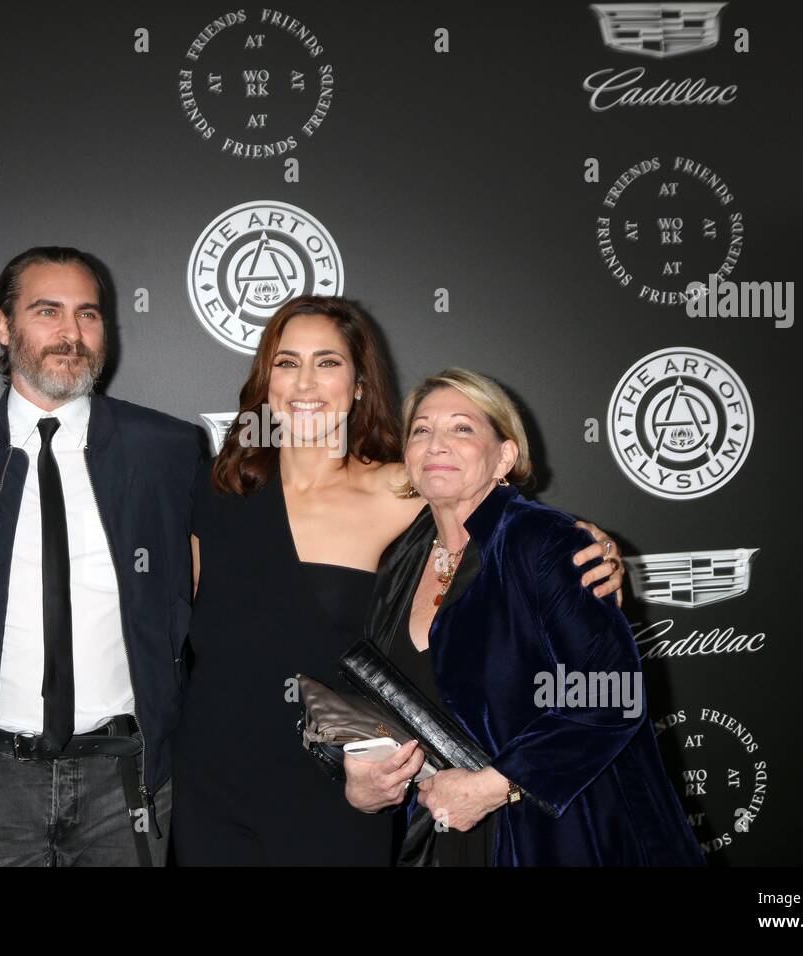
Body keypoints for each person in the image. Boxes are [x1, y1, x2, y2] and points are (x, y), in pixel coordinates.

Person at [173, 297, 625, 865]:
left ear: (360, 384)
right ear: (266, 381)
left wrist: (595, 546)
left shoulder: (401, 488)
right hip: (212, 791)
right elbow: (170, 620)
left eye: (328, 363)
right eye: (287, 363)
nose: (306, 382)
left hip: (346, 790)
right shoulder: (217, 494)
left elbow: (503, 518)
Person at [0, 246, 202, 866]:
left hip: (128, 783)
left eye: (89, 315)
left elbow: (223, 592)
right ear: (4, 326)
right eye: (48, 311)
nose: (71, 333)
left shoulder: (167, 450)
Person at [343, 368, 704, 866]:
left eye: (462, 428)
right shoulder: (400, 562)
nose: (436, 443)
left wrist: (493, 787)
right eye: (421, 430)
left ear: (505, 457)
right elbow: (385, 705)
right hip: (443, 836)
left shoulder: (546, 542)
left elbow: (612, 692)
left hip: (560, 833)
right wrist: (364, 779)